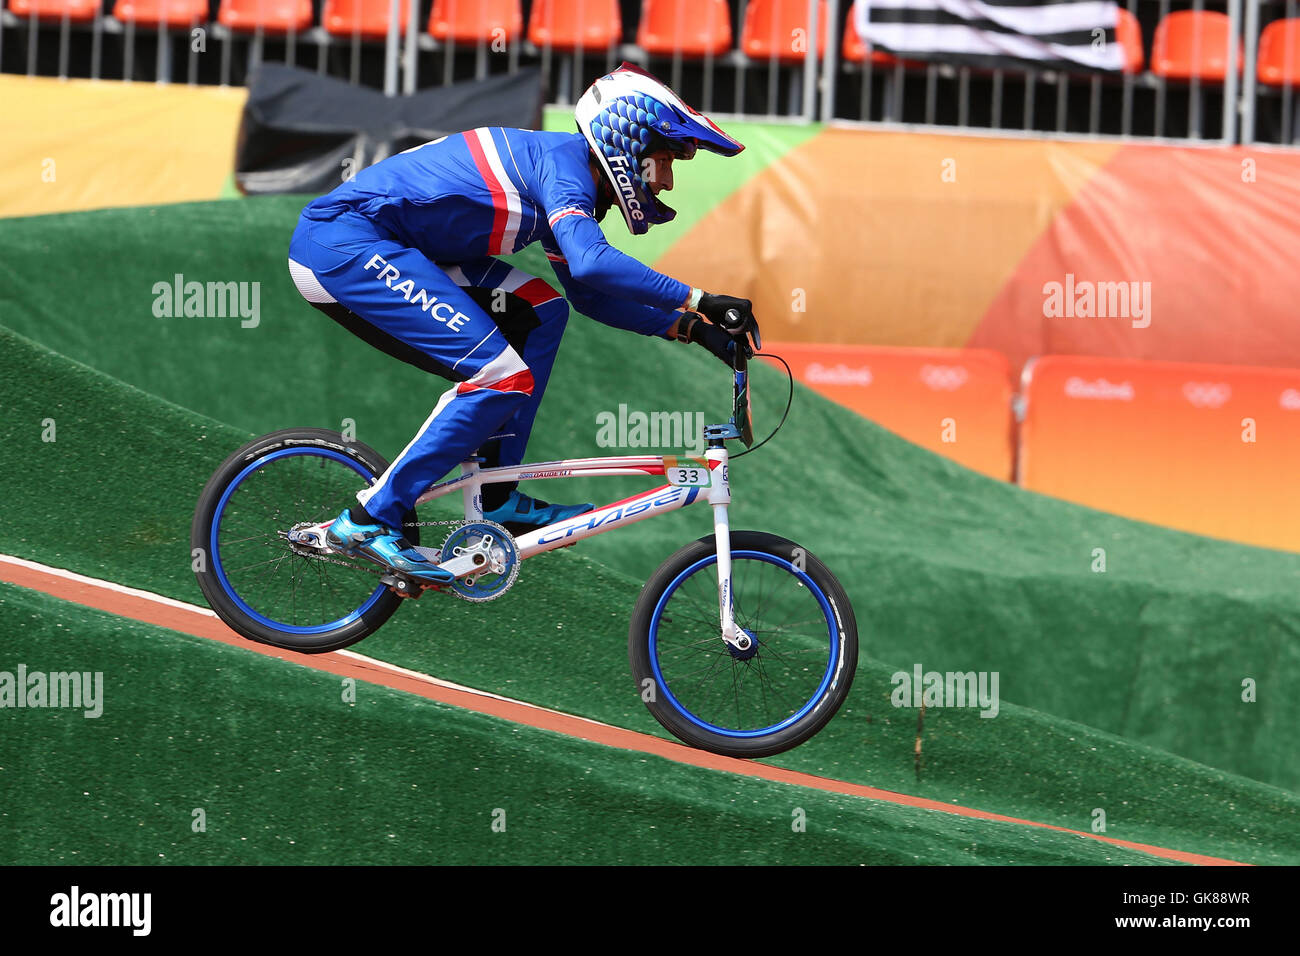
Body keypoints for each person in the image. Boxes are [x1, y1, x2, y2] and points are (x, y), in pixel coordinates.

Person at [286, 63, 761, 584]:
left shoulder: (570, 180)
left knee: (543, 313)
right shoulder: (565, 168)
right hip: (342, 245)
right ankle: (367, 517)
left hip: (397, 248)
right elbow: (593, 262)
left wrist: (691, 327)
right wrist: (700, 298)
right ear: (627, 141)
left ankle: (495, 497)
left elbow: (589, 297)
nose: (666, 181)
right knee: (501, 374)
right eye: (664, 162)